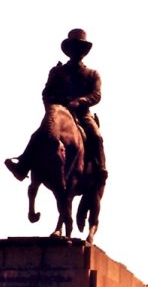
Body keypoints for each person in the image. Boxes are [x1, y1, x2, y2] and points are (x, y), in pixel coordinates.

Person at [40, 28, 107, 181]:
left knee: (96, 136)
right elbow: (46, 93)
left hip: (82, 114)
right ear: (68, 50)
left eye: (80, 48)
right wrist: (53, 107)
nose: (76, 51)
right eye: (73, 47)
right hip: (59, 113)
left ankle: (100, 169)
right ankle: (23, 164)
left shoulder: (92, 74)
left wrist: (80, 101)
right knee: (40, 134)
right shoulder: (57, 72)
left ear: (84, 51)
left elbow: (96, 95)